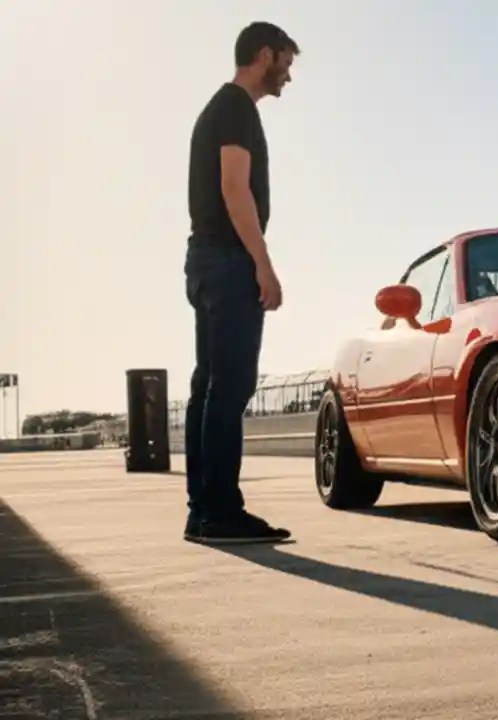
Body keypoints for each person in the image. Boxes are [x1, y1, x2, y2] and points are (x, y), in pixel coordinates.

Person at [182, 22, 299, 544]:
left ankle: (203, 511)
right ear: (265, 54)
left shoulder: (220, 107)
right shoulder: (235, 108)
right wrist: (263, 263)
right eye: (286, 64)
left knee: (208, 388)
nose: (288, 77)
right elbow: (235, 188)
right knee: (228, 389)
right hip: (228, 262)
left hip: (207, 259)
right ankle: (220, 513)